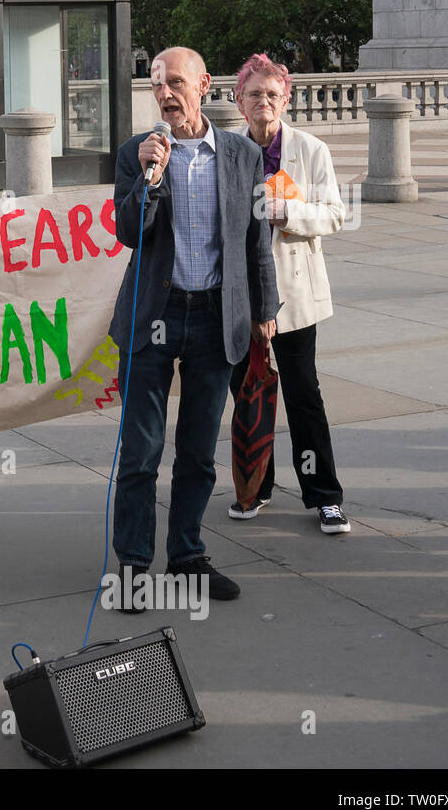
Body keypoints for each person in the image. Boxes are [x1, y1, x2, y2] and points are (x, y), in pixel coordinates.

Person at [108, 46, 279, 606]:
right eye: (156, 84)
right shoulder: (138, 154)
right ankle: (134, 566)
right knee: (140, 451)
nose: (164, 94)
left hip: (214, 317)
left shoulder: (239, 155)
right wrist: (150, 179)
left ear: (203, 84)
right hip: (152, 317)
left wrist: (264, 310)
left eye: (175, 82)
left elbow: (257, 243)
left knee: (199, 450)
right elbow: (130, 232)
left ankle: (187, 554)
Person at [228, 53, 350, 534]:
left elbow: (336, 214)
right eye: (255, 94)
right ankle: (256, 487)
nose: (264, 102)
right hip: (240, 295)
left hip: (294, 294)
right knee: (247, 394)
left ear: (286, 98)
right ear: (239, 100)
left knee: (303, 395)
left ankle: (324, 495)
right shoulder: (227, 150)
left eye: (272, 94)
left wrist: (290, 213)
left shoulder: (312, 149)